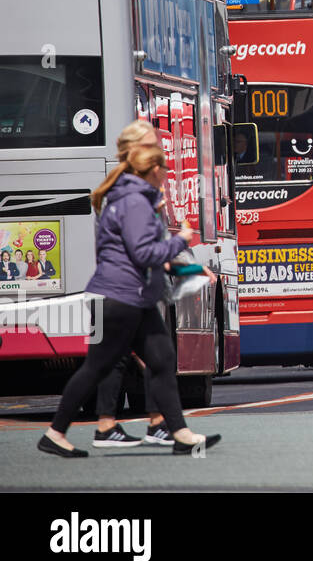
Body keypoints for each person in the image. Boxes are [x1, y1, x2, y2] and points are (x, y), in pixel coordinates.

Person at [39, 144, 220, 458]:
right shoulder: (134, 202)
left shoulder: (132, 200)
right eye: (164, 170)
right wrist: (181, 240)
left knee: (161, 360)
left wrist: (188, 263)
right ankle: (56, 432)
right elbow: (144, 254)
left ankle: (179, 432)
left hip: (135, 295)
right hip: (122, 295)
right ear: (152, 170)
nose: (167, 176)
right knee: (98, 367)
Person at [94, 119, 173, 448]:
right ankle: (103, 427)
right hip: (128, 287)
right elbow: (139, 244)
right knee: (134, 356)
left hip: (131, 285)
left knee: (145, 356)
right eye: (152, 142)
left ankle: (153, 424)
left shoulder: (132, 187)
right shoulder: (131, 190)